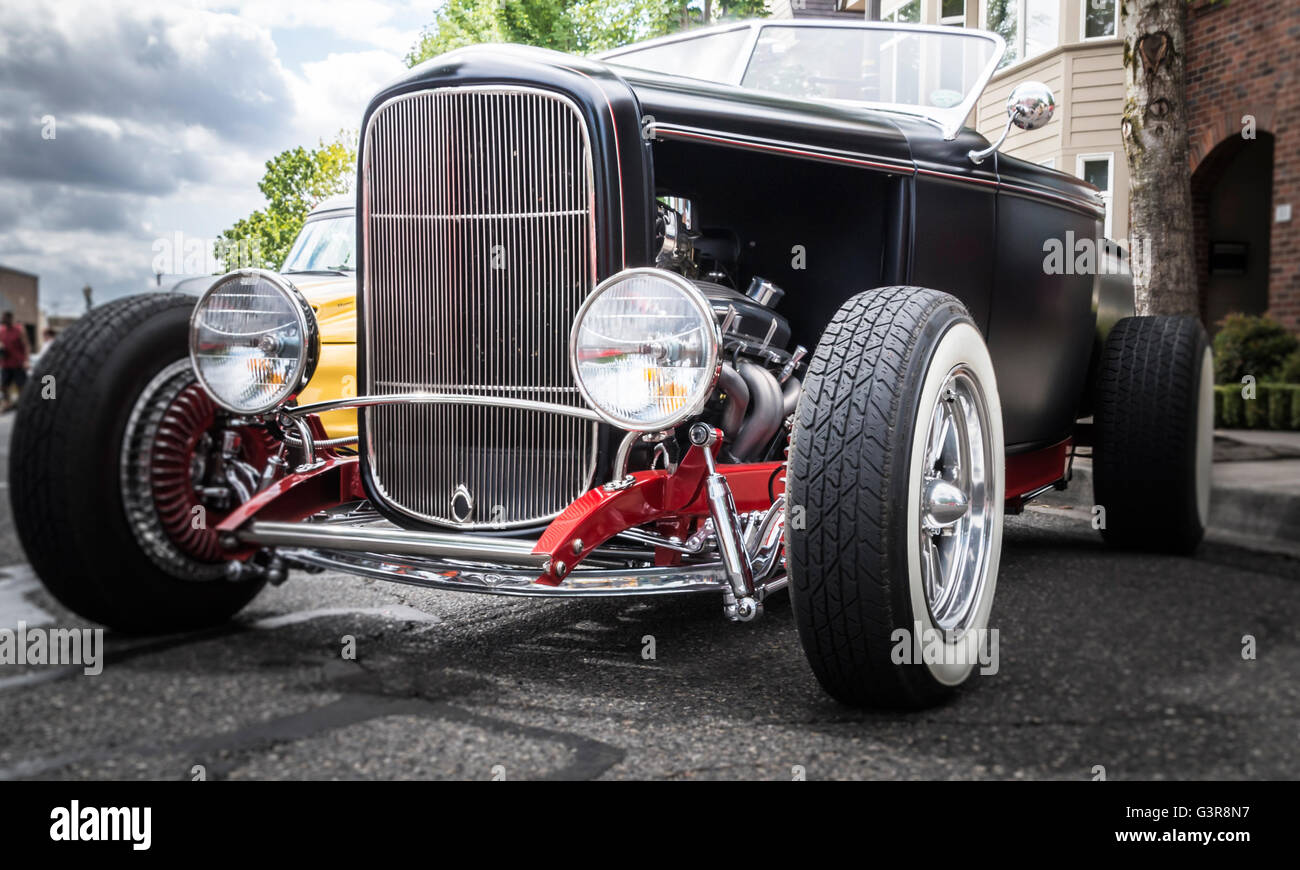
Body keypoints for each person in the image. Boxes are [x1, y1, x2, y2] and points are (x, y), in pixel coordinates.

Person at [0, 311, 30, 412]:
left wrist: (26, 361)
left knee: (22, 386)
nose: (2, 320)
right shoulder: (1, 330)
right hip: (5, 364)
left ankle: (25, 404)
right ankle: (7, 403)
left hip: (18, 364)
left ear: (10, 318)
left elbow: (26, 346)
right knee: (4, 386)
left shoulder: (19, 330)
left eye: (4, 318)